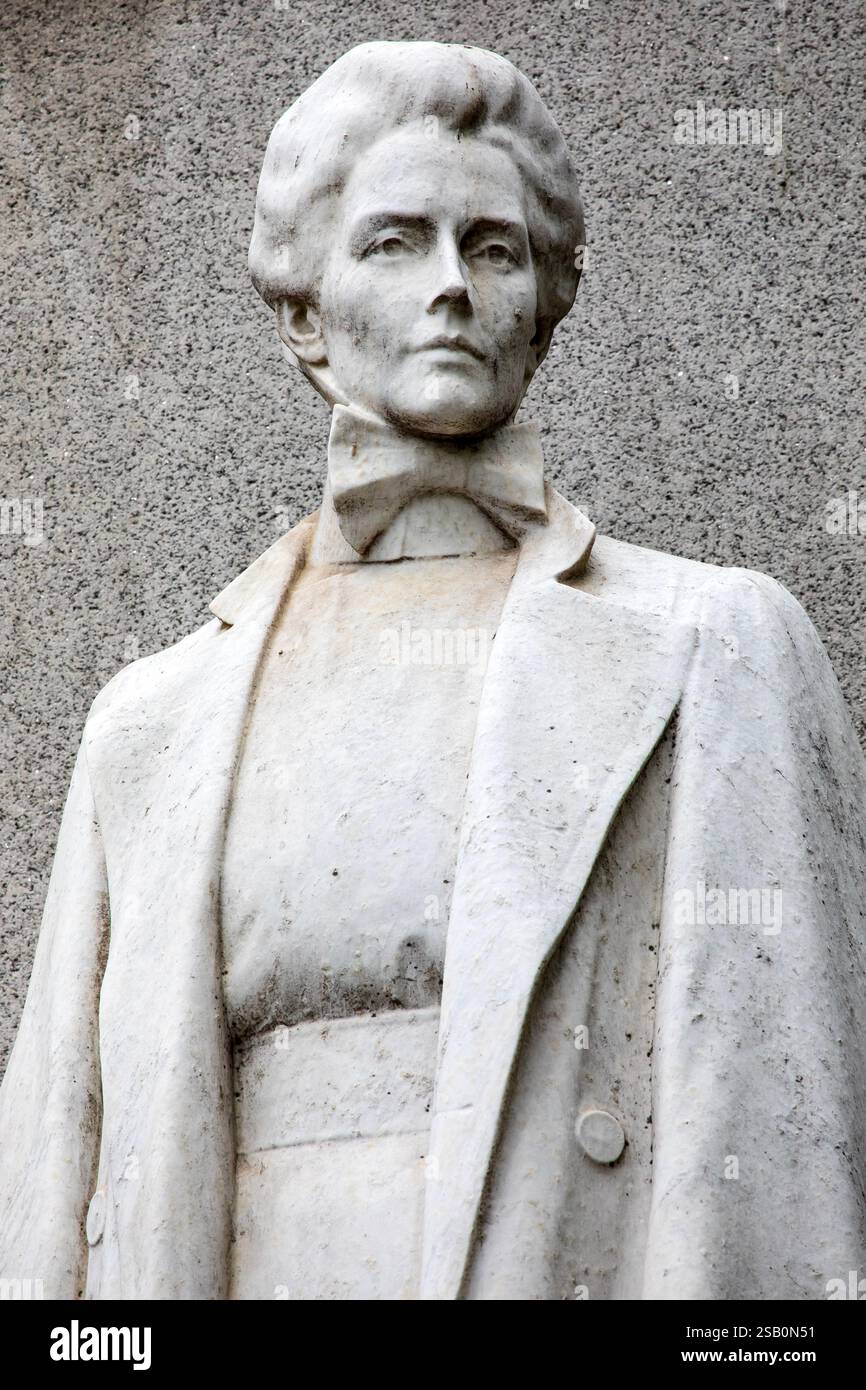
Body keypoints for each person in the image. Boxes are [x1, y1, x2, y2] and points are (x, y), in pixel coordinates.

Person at [1, 41, 864, 1301]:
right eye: (394, 242)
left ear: (543, 299)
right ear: (303, 307)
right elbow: (47, 1189)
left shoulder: (711, 646)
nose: (451, 286)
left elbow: (781, 1145)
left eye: (494, 248)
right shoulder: (151, 723)